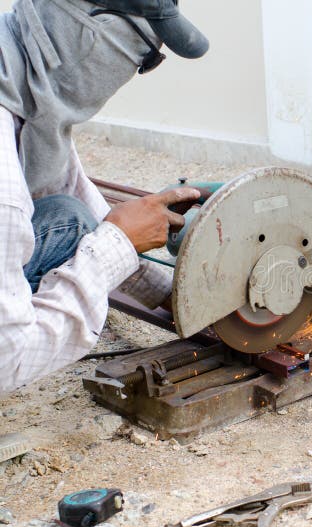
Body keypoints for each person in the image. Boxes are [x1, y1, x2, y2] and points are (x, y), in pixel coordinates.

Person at [0, 0, 210, 393]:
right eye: (142, 54)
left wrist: (175, 294)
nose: (136, 69)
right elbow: (6, 360)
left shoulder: (16, 74)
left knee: (69, 216)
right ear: (84, 32)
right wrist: (118, 244)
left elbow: (67, 195)